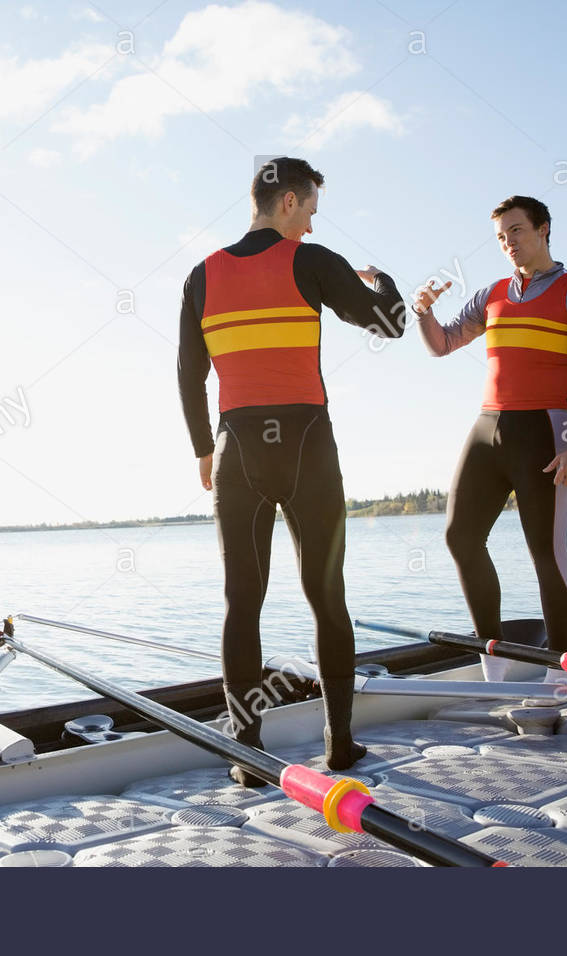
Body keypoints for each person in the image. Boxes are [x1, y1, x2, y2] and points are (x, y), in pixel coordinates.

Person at [177, 157, 406, 783]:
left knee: (241, 603)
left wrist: (205, 447)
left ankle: (247, 756)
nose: (310, 223)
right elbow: (389, 323)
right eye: (308, 210)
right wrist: (383, 281)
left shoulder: (201, 275)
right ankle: (339, 745)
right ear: (286, 204)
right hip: (308, 445)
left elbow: (188, 373)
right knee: (327, 596)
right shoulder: (312, 260)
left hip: (237, 450)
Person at [413, 196, 567, 670]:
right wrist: (423, 313)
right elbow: (443, 344)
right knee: (460, 536)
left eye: (517, 231)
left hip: (548, 432)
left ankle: (561, 668)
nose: (509, 243)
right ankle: (494, 658)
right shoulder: (492, 294)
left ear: (544, 229)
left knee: (546, 550)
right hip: (488, 429)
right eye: (502, 236)